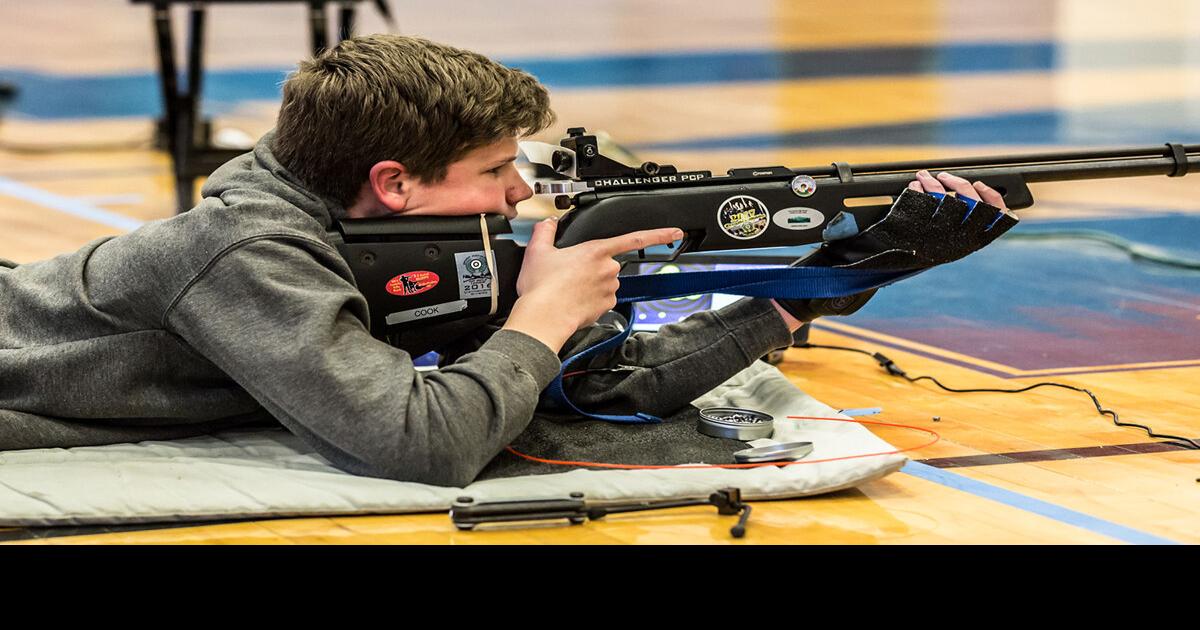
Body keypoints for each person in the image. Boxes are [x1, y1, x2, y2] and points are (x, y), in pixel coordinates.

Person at [0, 35, 1008, 486]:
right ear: (395, 183)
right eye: (493, 170)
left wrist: (836, 276)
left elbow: (593, 384)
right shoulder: (246, 250)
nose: (518, 191)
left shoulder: (377, 219)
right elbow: (422, 444)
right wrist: (540, 312)